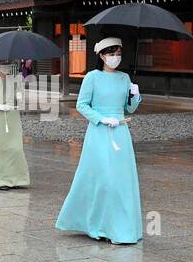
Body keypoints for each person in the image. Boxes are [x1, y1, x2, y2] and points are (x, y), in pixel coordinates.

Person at [55, 37, 143, 244]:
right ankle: (98, 225)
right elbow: (82, 105)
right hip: (100, 132)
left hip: (121, 132)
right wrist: (102, 119)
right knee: (104, 179)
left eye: (118, 54)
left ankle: (122, 229)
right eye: (111, 54)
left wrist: (136, 96)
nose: (115, 58)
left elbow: (129, 108)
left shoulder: (124, 78)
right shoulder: (92, 77)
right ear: (102, 56)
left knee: (121, 180)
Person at [0, 59, 29, 189]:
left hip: (13, 117)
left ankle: (18, 179)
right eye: (4, 65)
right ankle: (0, 180)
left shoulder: (15, 80)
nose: (7, 67)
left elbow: (20, 101)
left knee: (16, 148)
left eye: (9, 65)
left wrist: (19, 94)